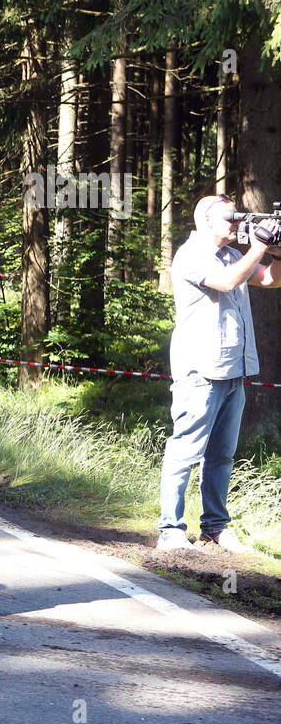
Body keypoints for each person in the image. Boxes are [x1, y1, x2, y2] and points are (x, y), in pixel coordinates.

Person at [155, 194, 281, 554]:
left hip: (232, 370)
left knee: (222, 455)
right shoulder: (191, 254)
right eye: (230, 218)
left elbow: (272, 279)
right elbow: (226, 282)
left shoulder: (233, 255)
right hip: (201, 370)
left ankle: (214, 528)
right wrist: (258, 246)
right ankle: (170, 531)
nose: (236, 223)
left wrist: (277, 250)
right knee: (186, 451)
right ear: (207, 220)